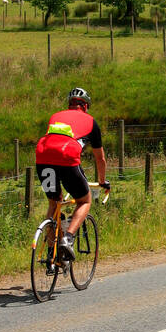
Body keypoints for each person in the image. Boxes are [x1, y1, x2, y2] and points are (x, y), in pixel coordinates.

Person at [35, 87, 109, 263]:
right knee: (85, 200)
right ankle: (67, 239)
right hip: (67, 158)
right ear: (85, 106)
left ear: (69, 105)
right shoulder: (91, 122)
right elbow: (101, 159)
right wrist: (102, 181)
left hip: (42, 157)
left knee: (54, 202)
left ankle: (51, 253)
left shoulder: (55, 116)